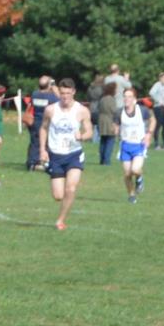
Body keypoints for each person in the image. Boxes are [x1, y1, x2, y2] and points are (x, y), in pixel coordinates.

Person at [39, 77, 93, 232]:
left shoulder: (82, 110)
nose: (65, 97)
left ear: (73, 92)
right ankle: (62, 207)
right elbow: (43, 128)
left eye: (68, 93)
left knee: (71, 189)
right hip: (55, 155)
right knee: (58, 196)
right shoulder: (51, 109)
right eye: (62, 93)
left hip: (74, 154)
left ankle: (60, 220)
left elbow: (89, 131)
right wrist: (43, 149)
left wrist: (82, 136)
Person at [117, 83, 156, 201]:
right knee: (127, 174)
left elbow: (153, 120)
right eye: (125, 96)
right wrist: (115, 130)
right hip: (125, 145)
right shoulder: (119, 112)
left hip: (139, 144)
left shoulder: (142, 110)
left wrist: (148, 134)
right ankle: (131, 195)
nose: (126, 99)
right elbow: (115, 126)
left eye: (129, 96)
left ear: (134, 99)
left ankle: (139, 178)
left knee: (135, 170)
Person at [26, 75, 56, 170]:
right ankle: (44, 161)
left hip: (35, 121)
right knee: (47, 143)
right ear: (49, 85)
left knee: (34, 142)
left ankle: (31, 162)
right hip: (46, 123)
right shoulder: (51, 96)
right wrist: (54, 87)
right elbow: (60, 101)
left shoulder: (35, 94)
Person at [95, 80, 120, 167]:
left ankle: (102, 160)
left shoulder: (102, 98)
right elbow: (114, 111)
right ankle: (107, 161)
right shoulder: (111, 99)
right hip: (109, 121)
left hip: (101, 121)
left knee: (103, 141)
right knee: (110, 141)